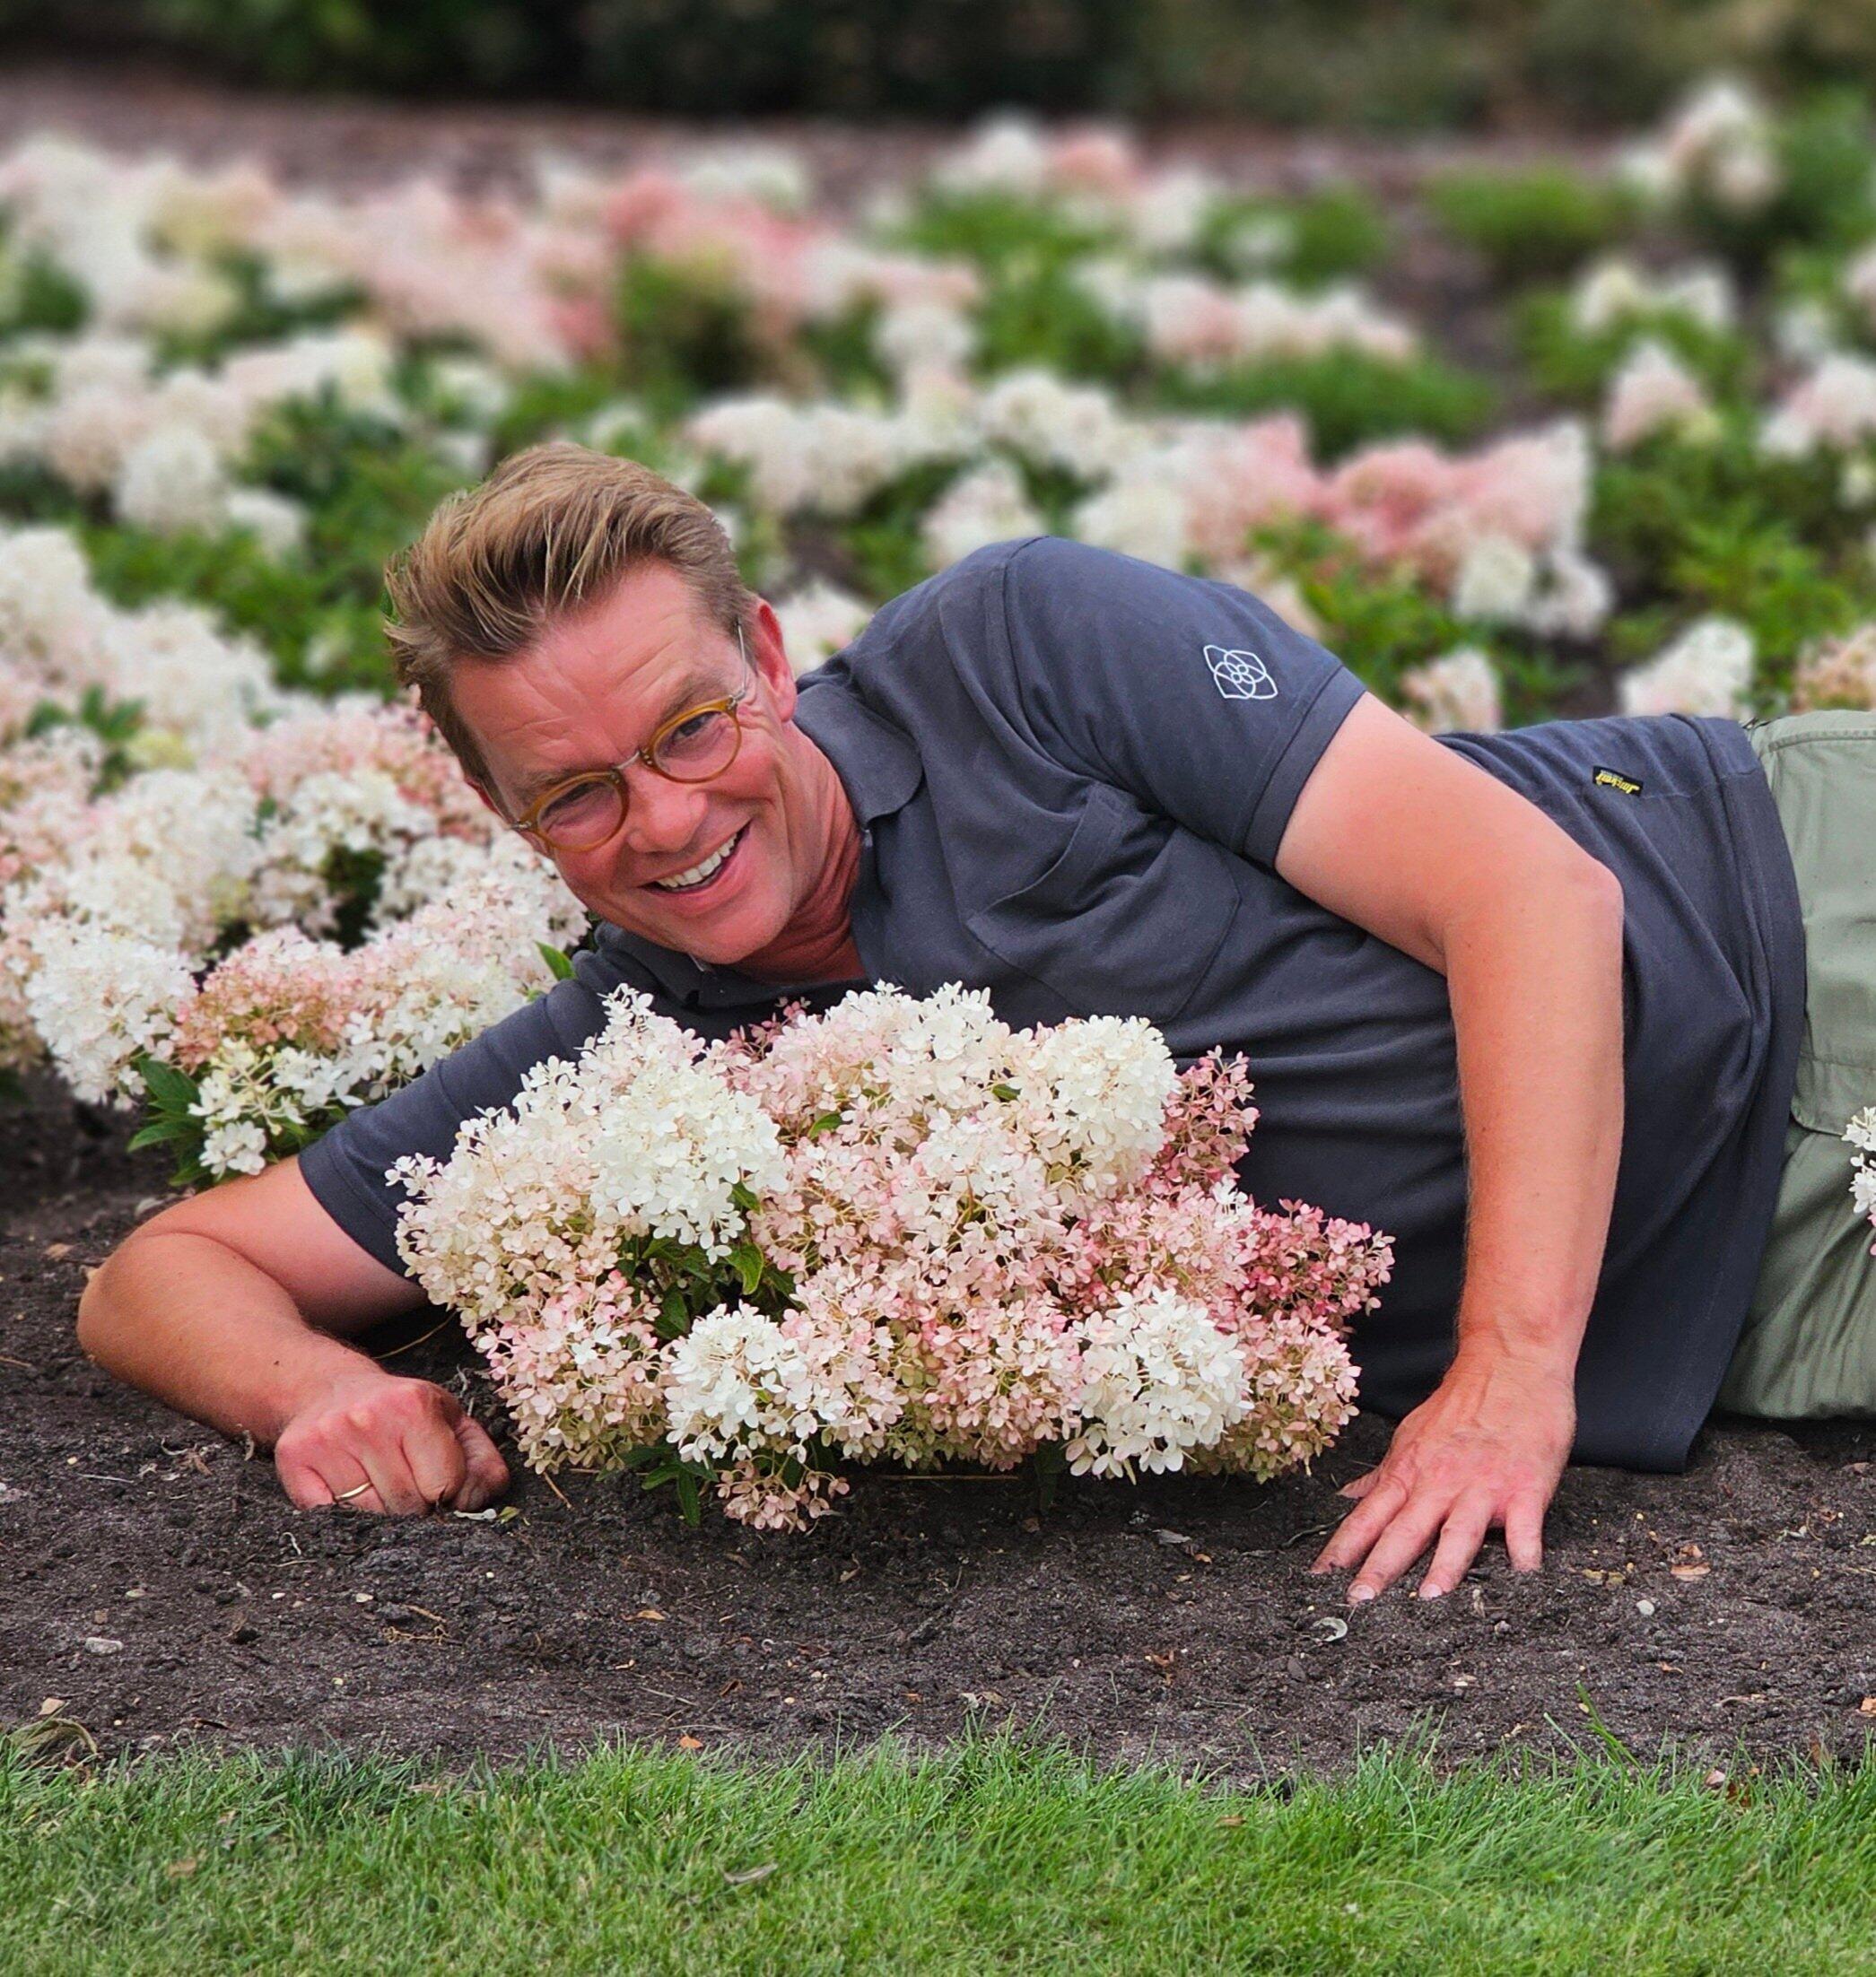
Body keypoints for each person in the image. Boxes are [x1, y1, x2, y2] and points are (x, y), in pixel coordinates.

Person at [76, 443, 1876, 1608]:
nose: (669, 820)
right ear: (497, 813)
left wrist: (1502, 1373)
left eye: (692, 729)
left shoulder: (1021, 652)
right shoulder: (632, 1065)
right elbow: (163, 1268)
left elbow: (1530, 899)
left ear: (768, 659)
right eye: (577, 793)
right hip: (1752, 1287)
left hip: (1777, 893)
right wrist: (315, 1388)